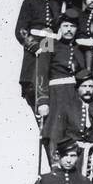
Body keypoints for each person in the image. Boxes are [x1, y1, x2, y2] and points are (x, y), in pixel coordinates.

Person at [36, 11, 87, 155]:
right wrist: (42, 101)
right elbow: (41, 73)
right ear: (59, 27)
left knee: (74, 133)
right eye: (65, 26)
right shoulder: (48, 43)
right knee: (54, 134)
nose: (69, 29)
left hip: (74, 97)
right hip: (56, 96)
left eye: (72, 26)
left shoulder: (80, 48)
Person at [14, 0, 58, 105]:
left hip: (49, 45)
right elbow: (21, 30)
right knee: (31, 86)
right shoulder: (29, 2)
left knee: (46, 84)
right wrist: (35, 47)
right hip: (34, 51)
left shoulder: (54, 4)